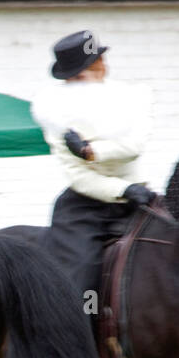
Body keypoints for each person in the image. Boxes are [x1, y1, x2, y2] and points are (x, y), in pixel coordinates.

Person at [31, 30, 156, 308]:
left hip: (139, 197)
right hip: (86, 207)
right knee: (79, 278)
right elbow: (78, 176)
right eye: (74, 79)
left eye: (86, 73)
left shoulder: (132, 100)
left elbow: (133, 147)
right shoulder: (55, 115)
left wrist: (91, 152)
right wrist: (123, 189)